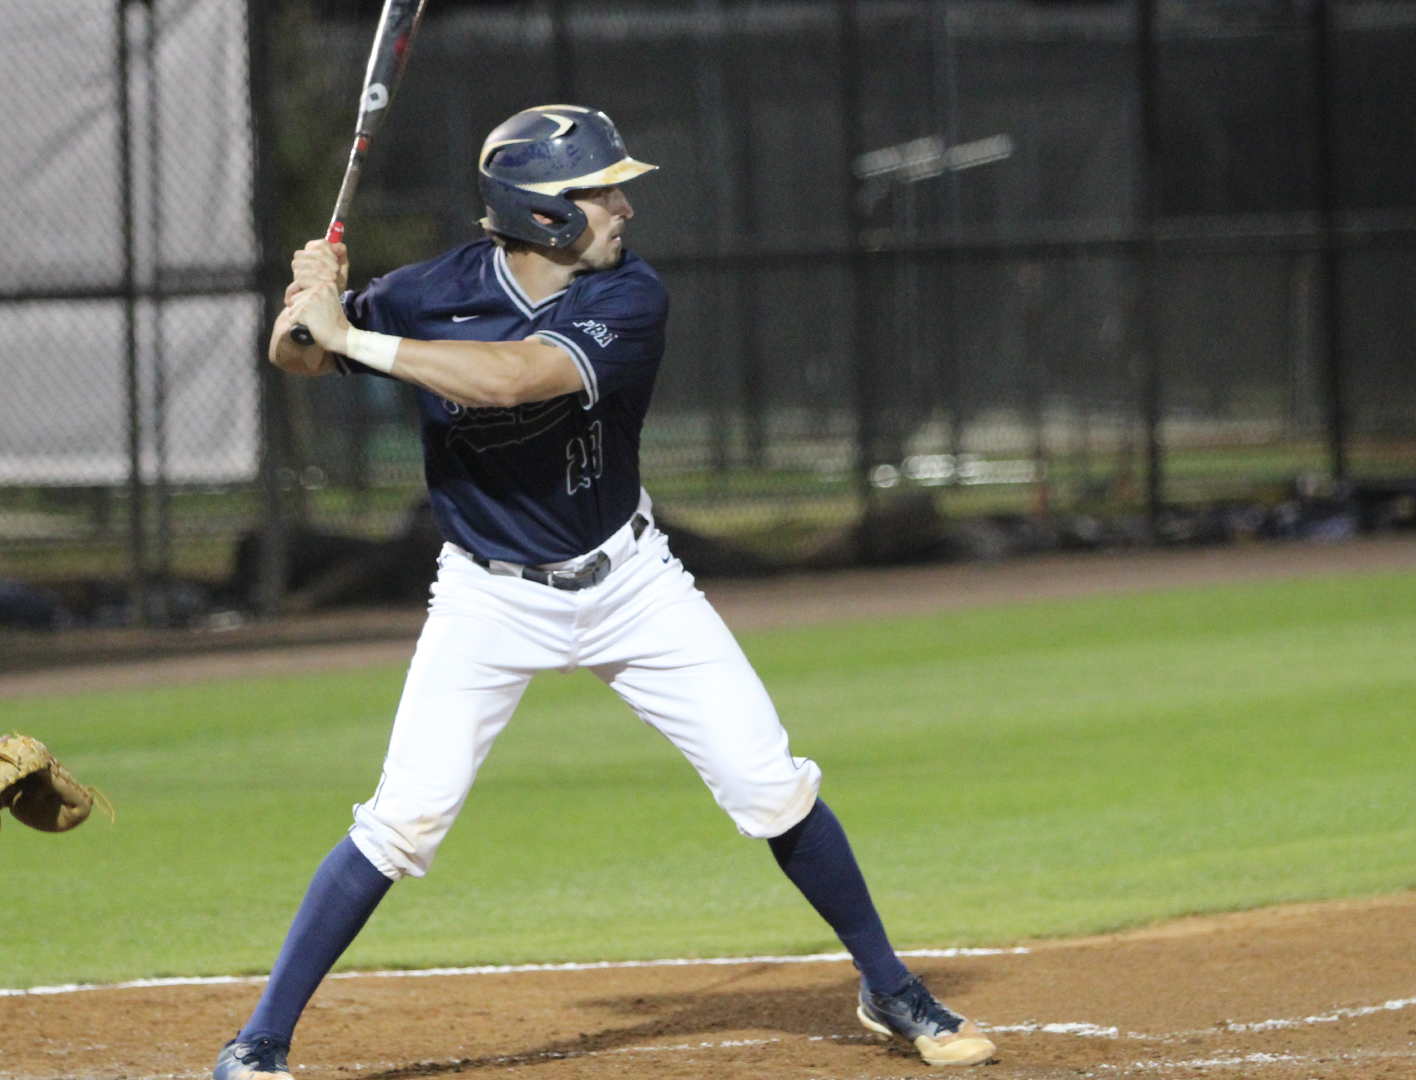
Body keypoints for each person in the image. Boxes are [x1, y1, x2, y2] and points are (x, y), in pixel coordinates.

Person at [211, 105, 997, 1080]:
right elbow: (296, 355)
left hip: (630, 583)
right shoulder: (431, 292)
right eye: (598, 192)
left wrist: (355, 340)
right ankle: (259, 1044)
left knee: (771, 784)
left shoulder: (630, 296)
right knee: (403, 819)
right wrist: (308, 304)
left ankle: (889, 987)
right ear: (540, 215)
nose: (623, 206)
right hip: (488, 598)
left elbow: (517, 379)